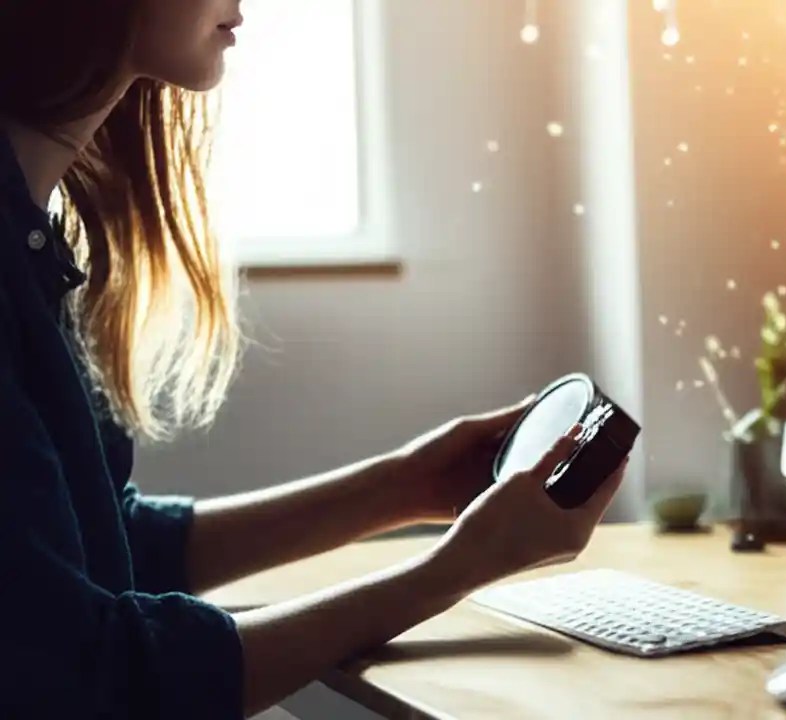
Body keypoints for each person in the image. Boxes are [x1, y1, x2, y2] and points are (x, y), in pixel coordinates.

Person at [0, 1, 628, 718]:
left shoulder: (32, 237)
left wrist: (405, 486)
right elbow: (95, 681)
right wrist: (462, 566)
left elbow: (105, 549)